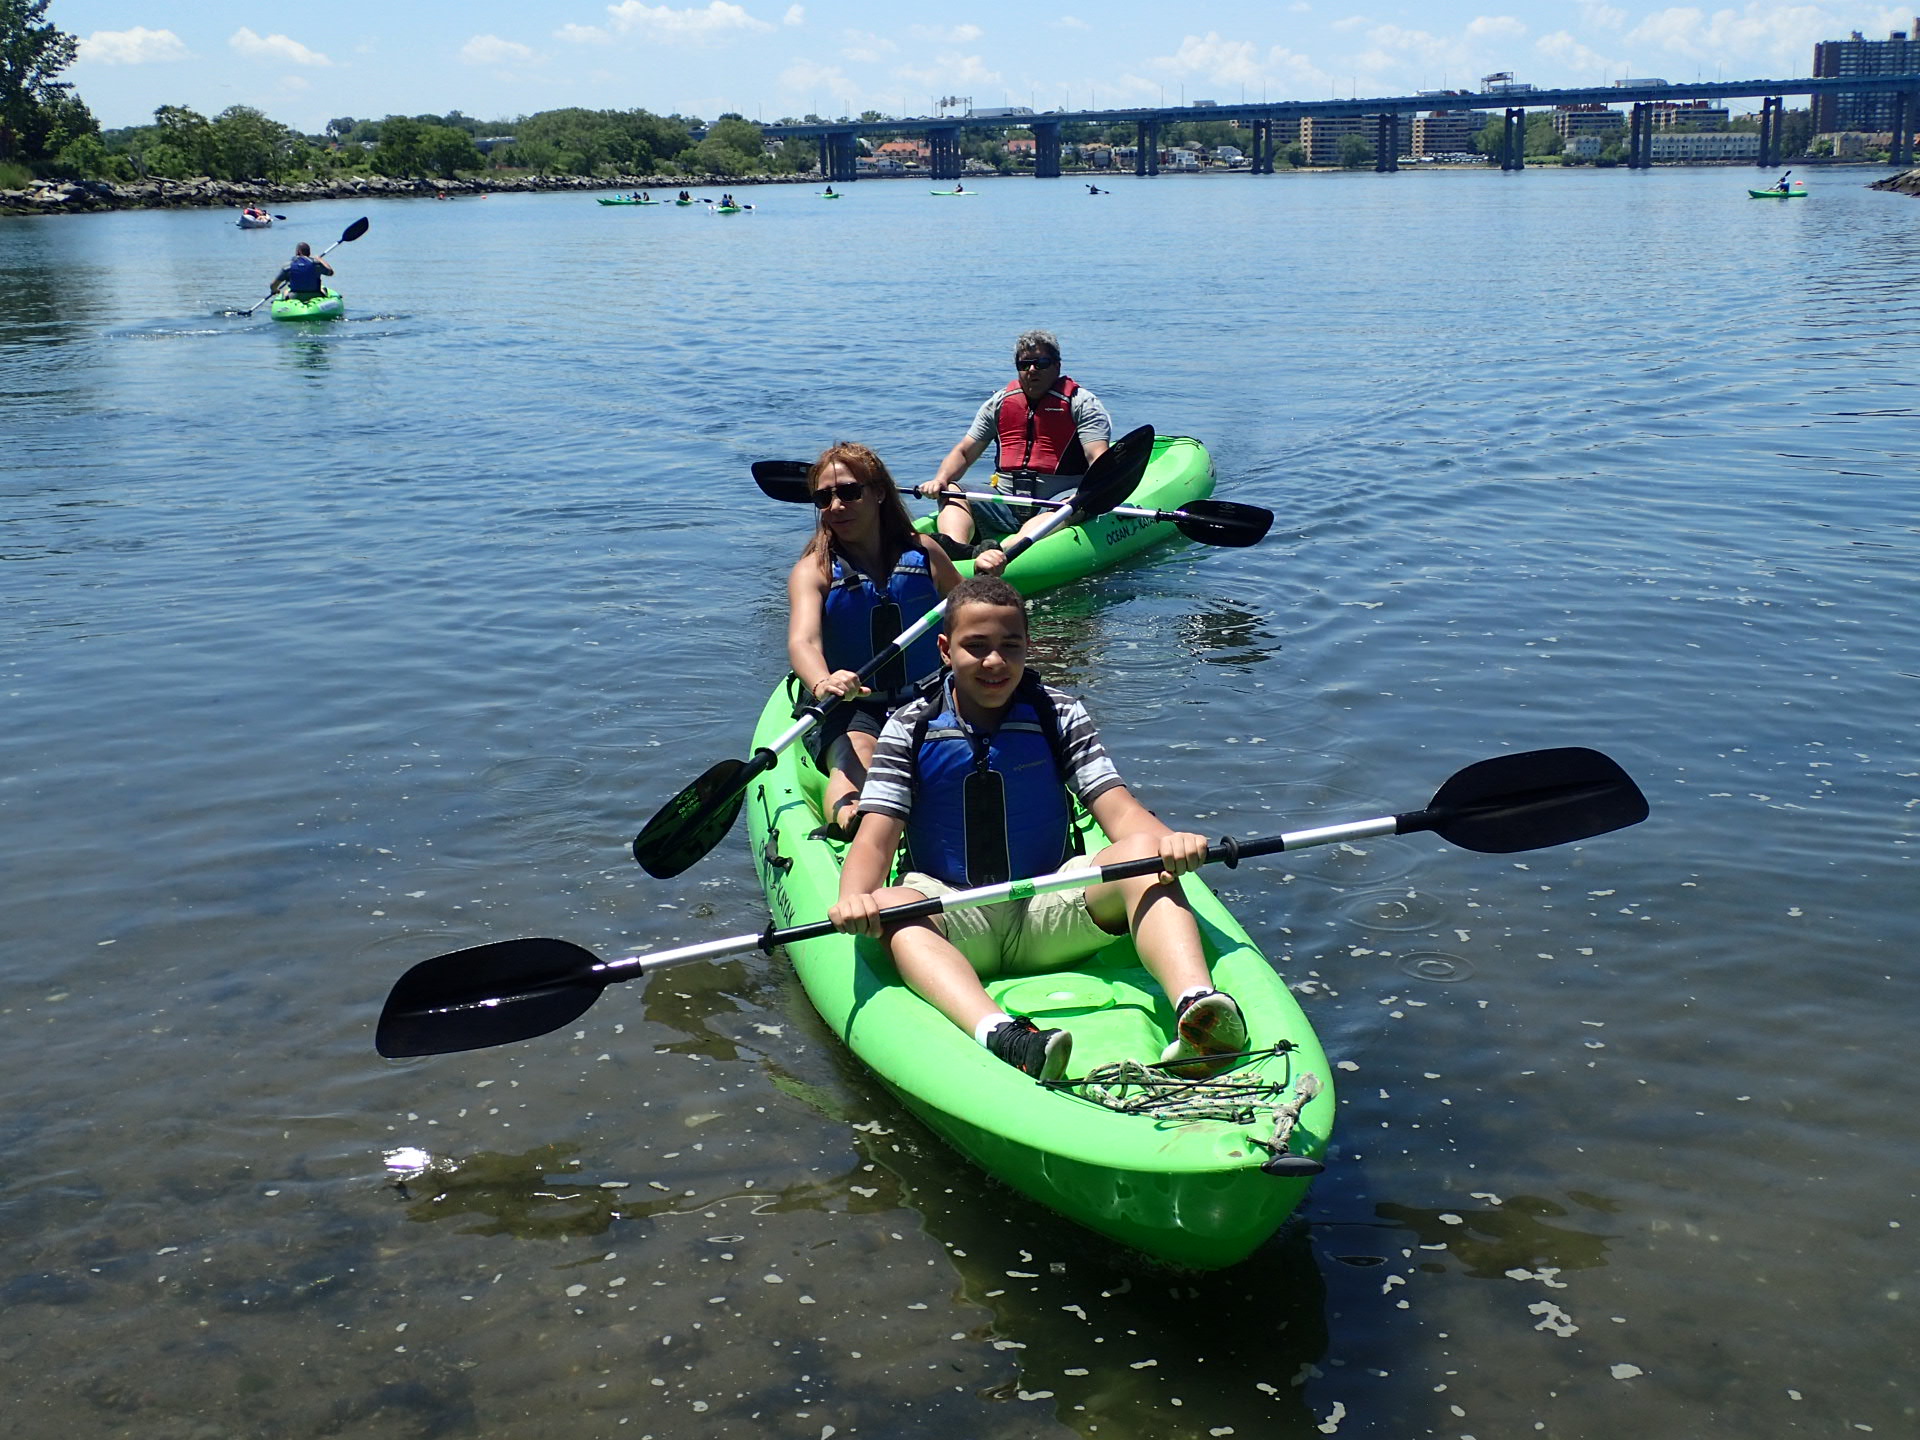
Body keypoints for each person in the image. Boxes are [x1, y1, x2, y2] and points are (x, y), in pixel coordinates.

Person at [828, 576, 1248, 1082]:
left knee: (1143, 856)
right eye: (976, 647)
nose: (995, 662)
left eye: (1011, 646)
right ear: (944, 649)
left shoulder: (1059, 713)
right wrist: (855, 899)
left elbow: (1118, 810)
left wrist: (1170, 845)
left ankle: (1198, 1008)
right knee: (895, 906)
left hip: (1050, 905)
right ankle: (1003, 1035)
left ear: (1029, 647)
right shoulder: (908, 727)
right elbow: (877, 835)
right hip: (955, 913)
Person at [787, 443, 963, 840]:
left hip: (928, 696)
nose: (835, 505)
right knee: (856, 759)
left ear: (879, 492)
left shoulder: (926, 552)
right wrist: (823, 682)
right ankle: (856, 822)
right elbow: (803, 641)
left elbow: (968, 614)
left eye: (848, 492)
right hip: (851, 706)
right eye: (823, 497)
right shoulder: (813, 571)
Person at [917, 329, 1112, 559]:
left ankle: (1008, 550)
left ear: (1057, 366)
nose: (1031, 370)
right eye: (1025, 364)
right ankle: (956, 550)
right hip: (1005, 502)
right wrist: (940, 479)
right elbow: (964, 452)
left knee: (1068, 505)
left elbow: (1098, 459)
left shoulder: (1082, 404)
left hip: (1055, 502)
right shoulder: (999, 403)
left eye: (1041, 363)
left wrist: (1094, 495)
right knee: (953, 490)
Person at [269, 241, 333, 298]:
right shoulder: (316, 264)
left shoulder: (288, 266)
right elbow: (330, 272)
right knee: (323, 289)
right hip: (315, 295)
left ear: (298, 252)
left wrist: (274, 290)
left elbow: (273, 285)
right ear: (309, 253)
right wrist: (320, 259)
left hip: (294, 296)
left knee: (285, 291)